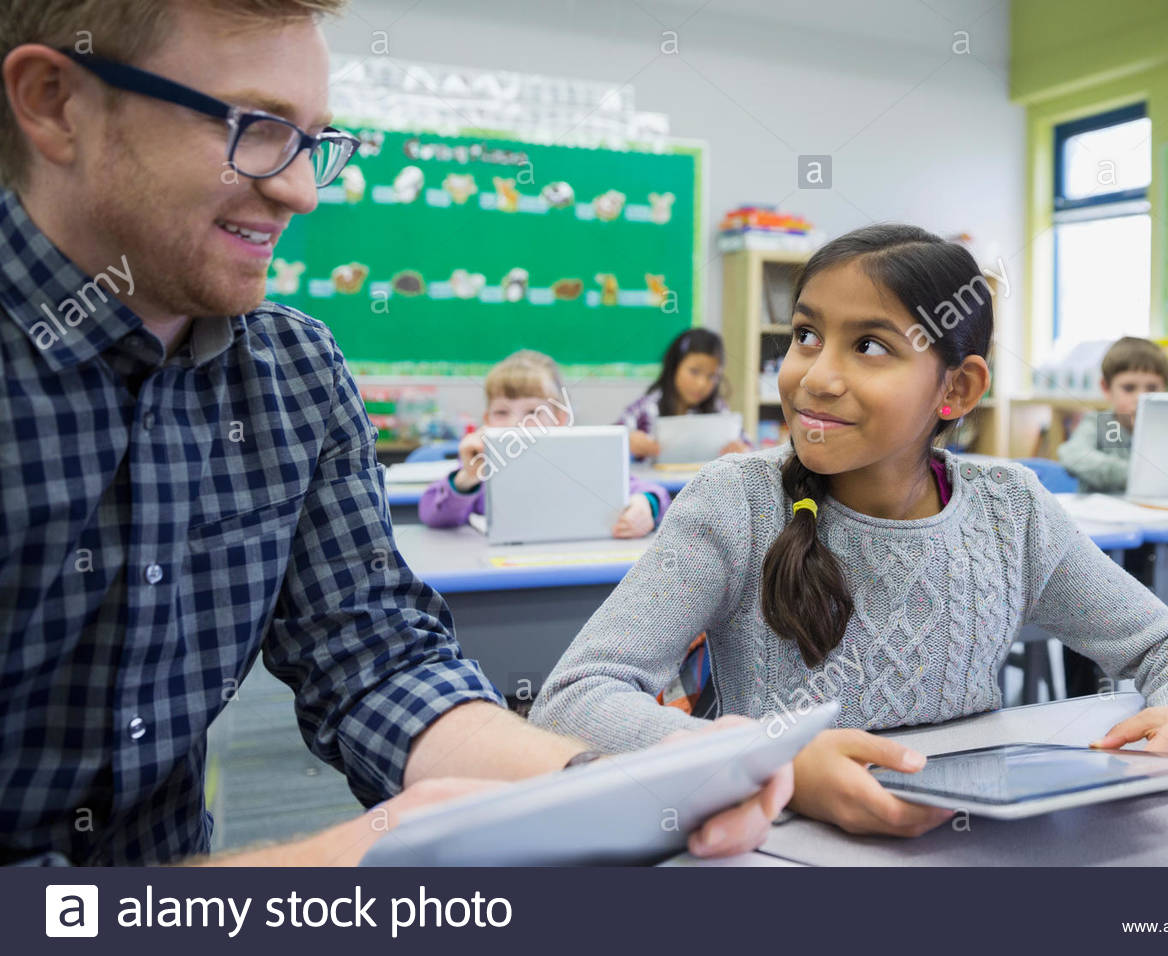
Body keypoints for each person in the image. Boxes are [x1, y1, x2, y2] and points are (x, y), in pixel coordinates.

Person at [0, 0, 789, 866]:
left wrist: (601, 783)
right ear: (54, 102)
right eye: (254, 128)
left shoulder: (293, 374)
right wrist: (326, 864)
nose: (300, 190)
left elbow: (374, 657)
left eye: (314, 143)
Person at [530, 225, 1168, 838]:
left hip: (972, 851)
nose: (816, 375)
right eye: (807, 334)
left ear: (957, 389)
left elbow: (1167, 642)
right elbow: (574, 697)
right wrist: (774, 760)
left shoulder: (1010, 508)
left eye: (871, 346)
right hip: (782, 847)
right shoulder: (736, 502)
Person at [420, 349, 669, 538]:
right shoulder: (481, 464)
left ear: (560, 419)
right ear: (487, 420)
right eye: (502, 412)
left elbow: (653, 492)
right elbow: (433, 514)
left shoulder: (582, 459)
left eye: (532, 412)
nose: (516, 424)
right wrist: (467, 479)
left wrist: (645, 505)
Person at [1057, 336, 1168, 495]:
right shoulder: (1101, 424)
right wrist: (1144, 474)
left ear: (1166, 388)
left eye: (1152, 388)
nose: (1141, 398)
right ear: (1106, 388)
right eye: (1129, 388)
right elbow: (1073, 455)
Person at [619, 328, 750, 460]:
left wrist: (742, 450)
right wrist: (627, 441)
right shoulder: (646, 408)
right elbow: (610, 440)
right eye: (694, 371)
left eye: (712, 376)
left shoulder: (719, 410)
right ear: (674, 366)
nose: (701, 384)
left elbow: (748, 447)